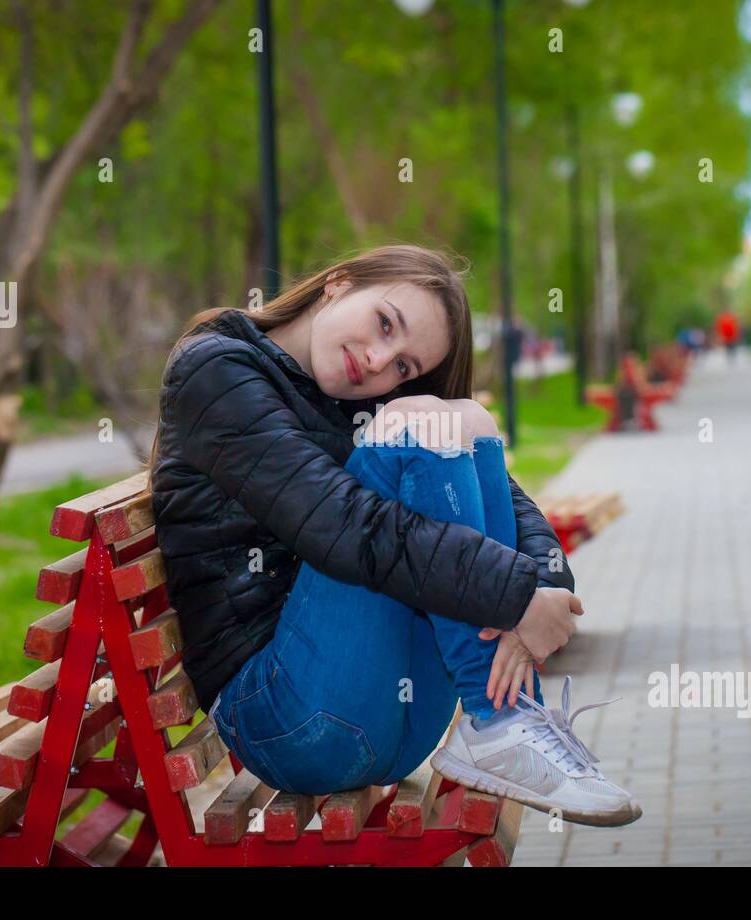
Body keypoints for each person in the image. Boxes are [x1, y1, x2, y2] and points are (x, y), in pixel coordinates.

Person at [148, 244, 640, 827]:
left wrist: (548, 584)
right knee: (422, 425)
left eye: (405, 366)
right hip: (290, 721)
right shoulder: (217, 372)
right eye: (385, 323)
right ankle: (499, 718)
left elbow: (507, 496)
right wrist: (513, 598)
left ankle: (505, 718)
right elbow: (343, 526)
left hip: (403, 727)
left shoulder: (369, 400)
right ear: (339, 282)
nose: (379, 361)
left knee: (469, 421)